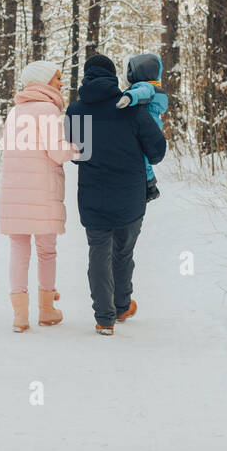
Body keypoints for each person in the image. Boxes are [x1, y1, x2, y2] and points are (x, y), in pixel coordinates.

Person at [65, 54, 167, 336]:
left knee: (98, 252)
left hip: (92, 196)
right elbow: (156, 153)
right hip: (130, 196)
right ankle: (122, 305)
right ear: (113, 76)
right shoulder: (131, 107)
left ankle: (104, 319)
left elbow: (76, 155)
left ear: (87, 77)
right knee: (123, 251)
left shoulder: (76, 110)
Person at [0, 60, 80, 332]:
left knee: (18, 250)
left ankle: (19, 316)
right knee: (46, 251)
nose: (60, 83)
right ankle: (46, 310)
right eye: (57, 78)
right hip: (42, 192)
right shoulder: (47, 110)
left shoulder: (15, 111)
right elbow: (57, 152)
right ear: (43, 81)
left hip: (15, 192)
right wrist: (78, 148)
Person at [115, 52, 169, 203]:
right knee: (143, 157)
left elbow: (142, 93)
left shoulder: (145, 86)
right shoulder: (155, 87)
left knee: (142, 157)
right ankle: (150, 186)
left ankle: (150, 186)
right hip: (152, 125)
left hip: (146, 126)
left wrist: (129, 97)